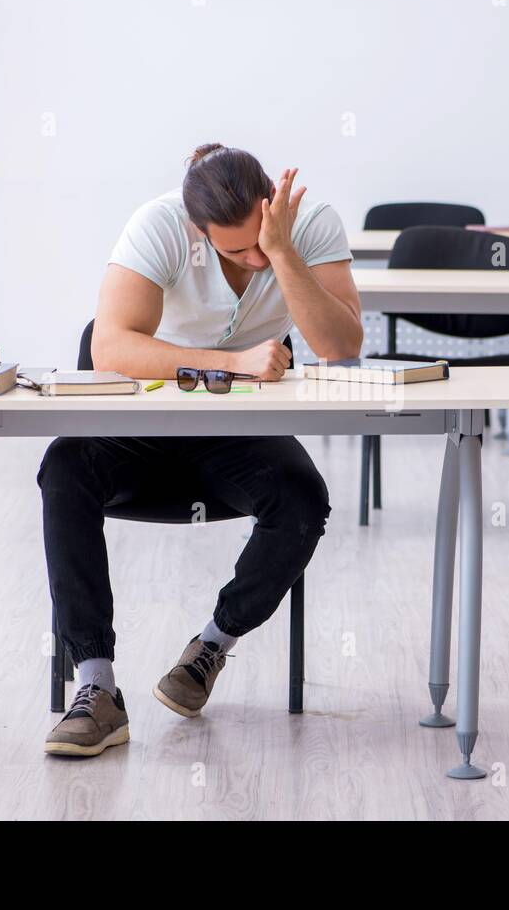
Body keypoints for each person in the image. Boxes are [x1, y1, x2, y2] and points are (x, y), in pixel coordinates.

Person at [37, 144, 363, 756]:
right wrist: (232, 364)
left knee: (302, 498)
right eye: (235, 250)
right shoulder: (159, 225)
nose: (254, 259)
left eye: (260, 240)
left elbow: (340, 344)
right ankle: (96, 687)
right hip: (144, 421)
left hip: (235, 432)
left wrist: (286, 251)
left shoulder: (309, 227)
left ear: (273, 204)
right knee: (64, 469)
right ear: (198, 231)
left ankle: (212, 645)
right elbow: (110, 349)